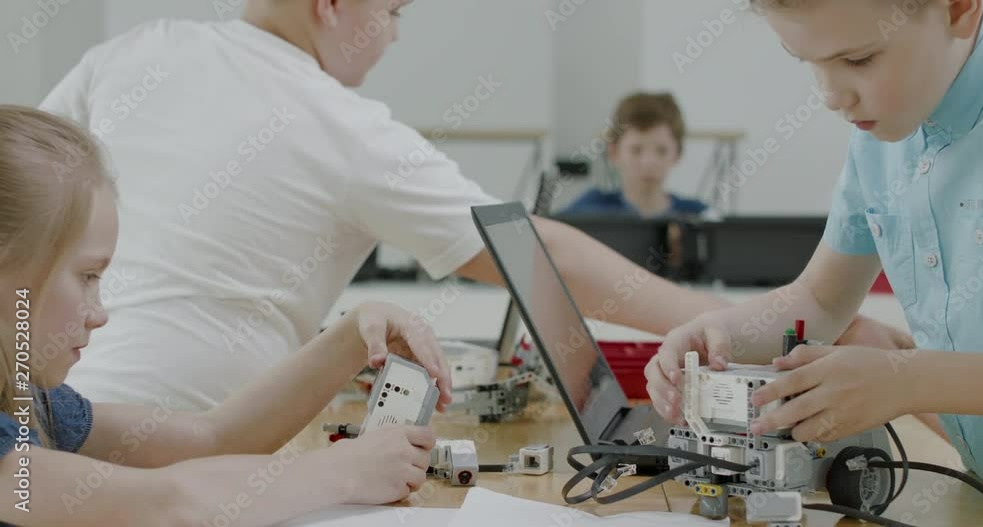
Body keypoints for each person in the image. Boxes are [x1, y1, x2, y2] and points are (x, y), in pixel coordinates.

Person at [39, 0, 910, 412]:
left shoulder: (137, 52)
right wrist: (726, 323)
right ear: (332, 6)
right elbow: (535, 253)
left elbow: (32, 216)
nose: (394, 34)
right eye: (390, 11)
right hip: (185, 439)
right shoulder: (340, 122)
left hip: (48, 416)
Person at [0, 105, 456, 525]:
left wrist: (353, 336)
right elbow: (169, 504)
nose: (99, 314)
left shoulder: (33, 403)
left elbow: (210, 439)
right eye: (86, 276)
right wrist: (344, 471)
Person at [646, 0, 983, 486]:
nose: (831, 97)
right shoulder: (884, 132)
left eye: (858, 61)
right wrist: (716, 332)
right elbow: (822, 299)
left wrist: (905, 379)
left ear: (957, 8)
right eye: (807, 62)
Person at [561, 92, 709, 218]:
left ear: (678, 153)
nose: (649, 162)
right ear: (614, 152)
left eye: (661, 151)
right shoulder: (588, 210)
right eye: (636, 150)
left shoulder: (699, 216)